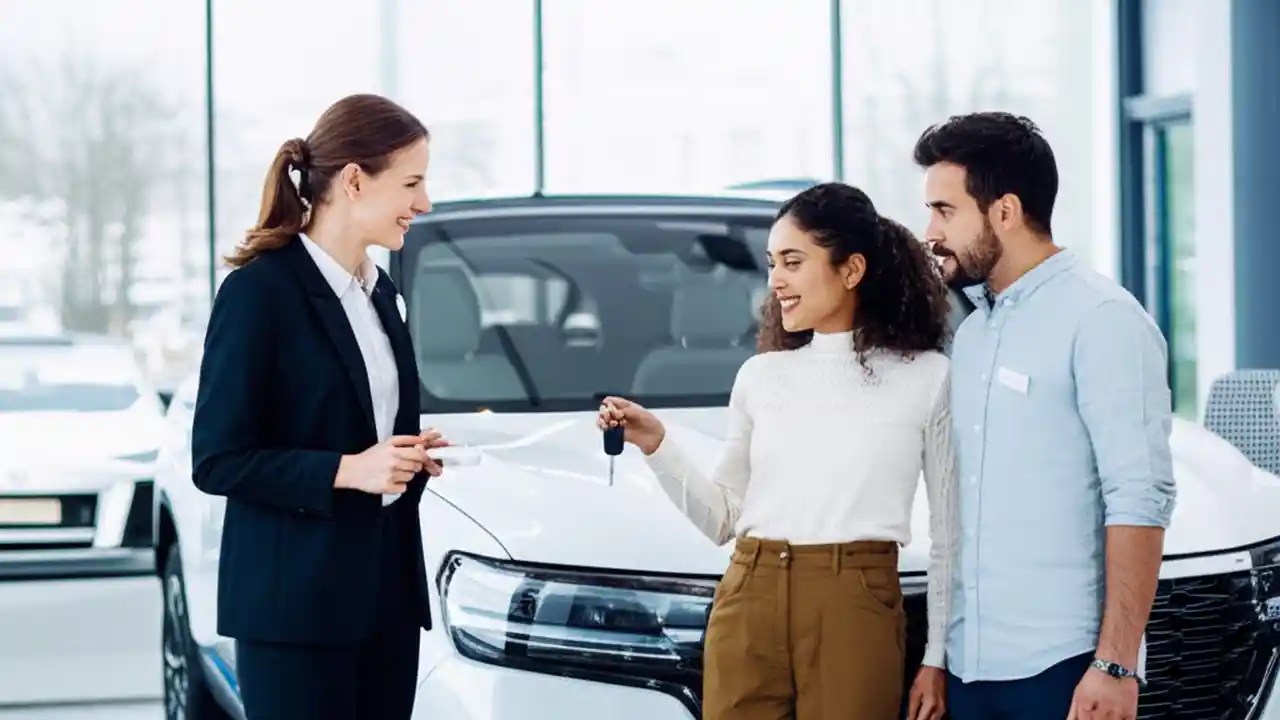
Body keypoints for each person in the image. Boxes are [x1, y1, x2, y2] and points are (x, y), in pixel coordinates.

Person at [598, 182, 957, 720]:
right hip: (750, 592)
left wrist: (936, 657)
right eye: (772, 264)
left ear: (851, 270)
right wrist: (657, 444)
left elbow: (952, 533)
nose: (775, 282)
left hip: (854, 605)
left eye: (793, 261)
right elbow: (725, 520)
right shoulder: (761, 376)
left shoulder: (927, 377)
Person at [913, 111, 1177, 720]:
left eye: (944, 210)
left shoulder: (1103, 318)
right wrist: (940, 657)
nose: (930, 230)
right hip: (970, 668)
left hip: (1064, 668)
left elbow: (1141, 497)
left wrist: (1115, 665)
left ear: (1003, 211)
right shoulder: (973, 334)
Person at [191, 93, 446, 719]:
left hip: (386, 600)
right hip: (295, 612)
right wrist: (349, 469)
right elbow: (218, 459)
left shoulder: (379, 292)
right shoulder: (259, 293)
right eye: (412, 183)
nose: (424, 203)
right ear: (355, 181)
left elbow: (366, 427)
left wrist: (404, 459)